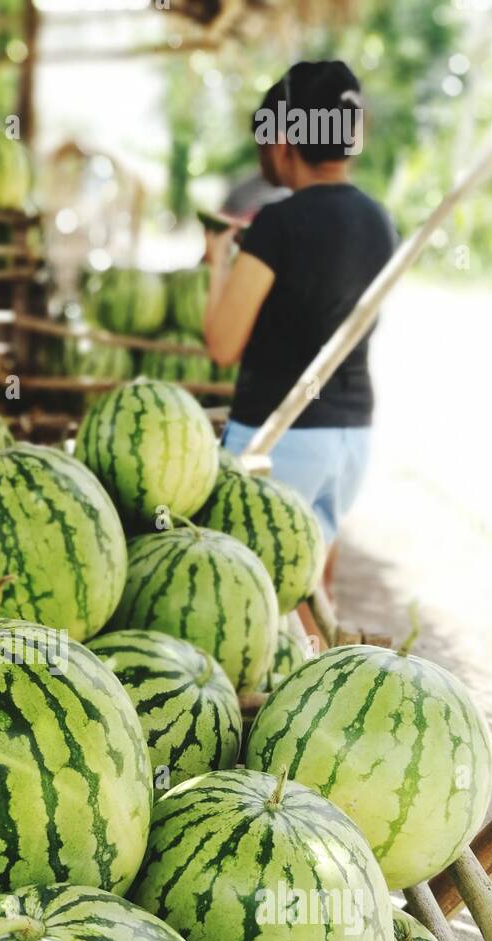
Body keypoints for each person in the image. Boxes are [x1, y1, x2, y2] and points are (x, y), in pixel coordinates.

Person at [203, 60, 398, 594]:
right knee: (312, 586)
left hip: (279, 439)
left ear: (286, 139)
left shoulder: (277, 223)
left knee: (256, 599)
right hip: (351, 436)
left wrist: (217, 259)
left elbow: (221, 344)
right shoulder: (381, 221)